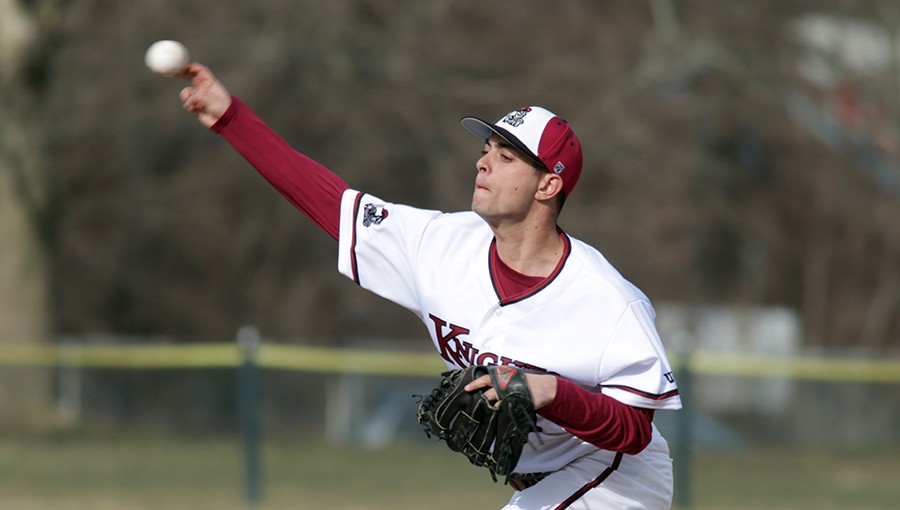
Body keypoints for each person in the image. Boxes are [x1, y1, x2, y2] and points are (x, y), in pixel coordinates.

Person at [178, 62, 682, 510]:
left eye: (507, 157)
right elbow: (330, 202)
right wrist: (231, 118)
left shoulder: (606, 299)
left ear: (549, 184)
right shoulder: (438, 244)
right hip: (539, 483)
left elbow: (635, 432)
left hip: (616, 477)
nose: (483, 162)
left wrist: (550, 392)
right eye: (486, 150)